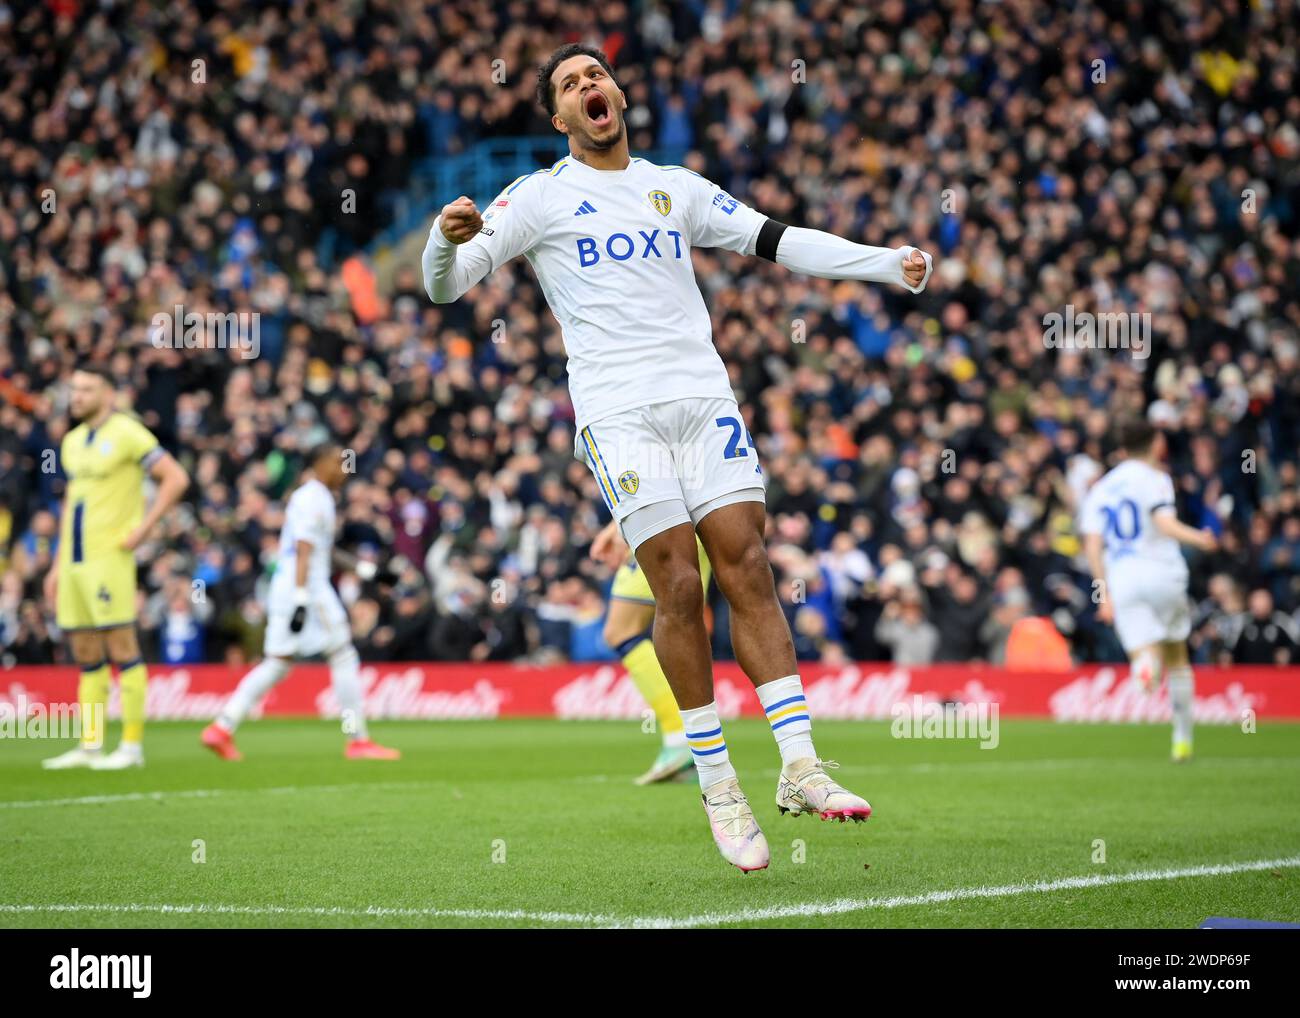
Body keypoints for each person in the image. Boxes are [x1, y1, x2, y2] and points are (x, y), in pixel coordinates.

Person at [423, 44, 933, 871]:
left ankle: (800, 766)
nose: (590, 86)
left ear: (617, 94)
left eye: (596, 74)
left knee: (749, 564)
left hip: (703, 398)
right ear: (558, 119)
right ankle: (719, 783)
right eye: (570, 84)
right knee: (678, 583)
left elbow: (778, 239)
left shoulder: (676, 186)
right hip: (619, 413)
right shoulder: (540, 197)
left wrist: (885, 265)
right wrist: (444, 242)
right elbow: (445, 287)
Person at [201, 443, 399, 761]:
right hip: (308, 588)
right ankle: (358, 739)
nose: (344, 470)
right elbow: (305, 550)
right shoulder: (313, 499)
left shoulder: (314, 497)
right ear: (319, 464)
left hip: (291, 586)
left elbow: (323, 550)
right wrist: (302, 599)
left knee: (278, 663)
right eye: (338, 463)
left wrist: (368, 571)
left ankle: (222, 727)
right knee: (344, 655)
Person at [42, 365, 190, 770]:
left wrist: (143, 530)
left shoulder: (128, 432)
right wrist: (56, 565)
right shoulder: (71, 441)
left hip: (109, 557)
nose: (77, 397)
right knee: (86, 653)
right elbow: (72, 499)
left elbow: (175, 477)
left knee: (122, 647)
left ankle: (131, 747)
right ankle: (90, 745)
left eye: (87, 389)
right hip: (74, 560)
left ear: (109, 393)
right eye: (74, 389)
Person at [1080, 418, 1219, 762]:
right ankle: (1182, 739)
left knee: (1144, 652)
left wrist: (1103, 593)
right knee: (1177, 655)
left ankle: (1145, 665)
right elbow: (1163, 523)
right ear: (1156, 444)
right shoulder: (1156, 479)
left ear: (1122, 448)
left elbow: (1092, 544)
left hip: (1124, 578)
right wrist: (1200, 538)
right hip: (1163, 573)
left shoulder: (1101, 487)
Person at [590, 518, 711, 785]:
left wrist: (618, 526)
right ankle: (699, 743)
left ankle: (681, 736)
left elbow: (650, 475)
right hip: (690, 520)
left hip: (662, 523)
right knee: (680, 624)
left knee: (620, 631)